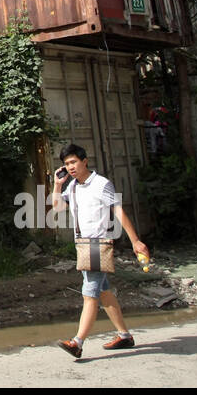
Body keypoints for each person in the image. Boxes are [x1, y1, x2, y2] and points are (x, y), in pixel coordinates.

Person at [50, 143, 149, 359]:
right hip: (83, 245)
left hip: (97, 244)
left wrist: (135, 241)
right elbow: (57, 207)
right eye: (67, 164)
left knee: (90, 293)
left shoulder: (101, 184)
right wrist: (58, 184)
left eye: (74, 162)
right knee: (103, 291)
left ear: (85, 161)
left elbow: (118, 210)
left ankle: (77, 342)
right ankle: (124, 336)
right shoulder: (73, 186)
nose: (71, 167)